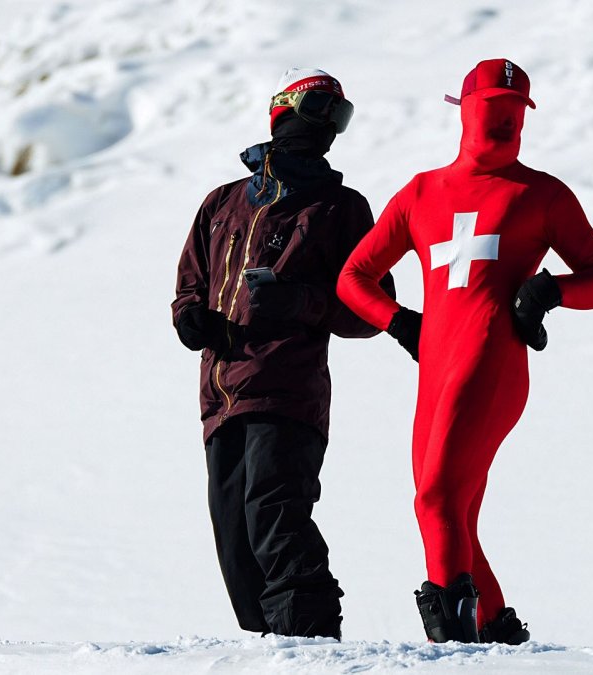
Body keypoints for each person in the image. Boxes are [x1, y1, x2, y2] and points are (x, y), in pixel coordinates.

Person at [337, 58, 593, 643]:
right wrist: (400, 324)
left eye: (516, 110)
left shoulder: (542, 194)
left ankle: (454, 644)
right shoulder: (421, 192)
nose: (506, 119)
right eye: (494, 106)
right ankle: (495, 633)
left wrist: (550, 291)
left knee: (438, 494)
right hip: (436, 366)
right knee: (445, 508)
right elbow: (353, 277)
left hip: (493, 360)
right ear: (465, 111)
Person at [171, 67, 394, 640]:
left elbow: (370, 307)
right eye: (320, 108)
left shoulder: (340, 208)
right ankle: (271, 648)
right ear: (284, 110)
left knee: (274, 514)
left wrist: (296, 300)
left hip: (288, 389)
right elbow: (190, 283)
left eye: (338, 117)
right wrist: (190, 316)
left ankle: (311, 640)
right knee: (235, 539)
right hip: (220, 394)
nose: (328, 127)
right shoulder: (221, 203)